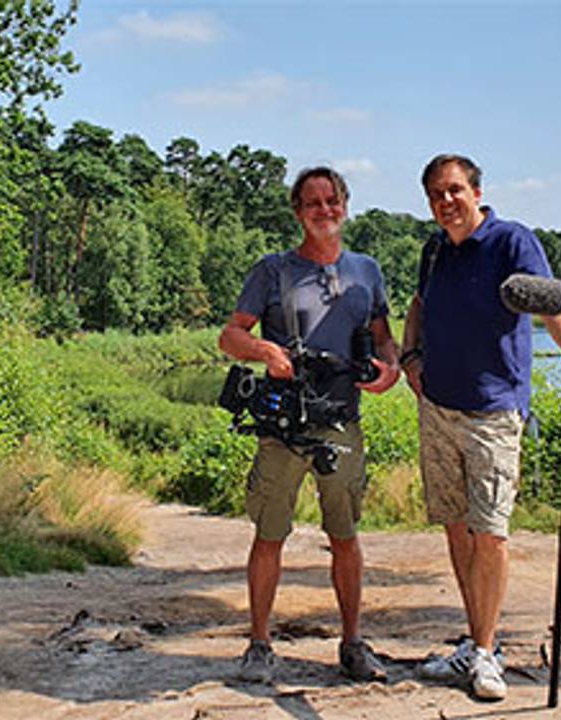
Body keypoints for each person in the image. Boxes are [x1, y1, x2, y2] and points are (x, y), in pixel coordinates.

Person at [400, 154, 561, 700]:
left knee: (490, 531)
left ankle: (487, 655)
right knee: (457, 528)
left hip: (493, 411)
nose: (446, 201)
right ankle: (476, 641)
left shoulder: (513, 241)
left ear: (478, 192)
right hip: (437, 406)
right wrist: (411, 359)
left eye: (455, 190)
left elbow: (550, 300)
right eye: (436, 194)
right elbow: (419, 305)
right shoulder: (434, 249)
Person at [218, 166, 401, 684]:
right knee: (269, 534)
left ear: (345, 205)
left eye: (332, 200)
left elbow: (384, 338)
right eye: (313, 202)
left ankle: (353, 643)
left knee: (345, 535)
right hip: (283, 426)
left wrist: (387, 370)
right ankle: (259, 644)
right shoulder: (272, 271)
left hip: (342, 420)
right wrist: (263, 351)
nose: (324, 210)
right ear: (298, 212)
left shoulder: (368, 270)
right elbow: (229, 337)